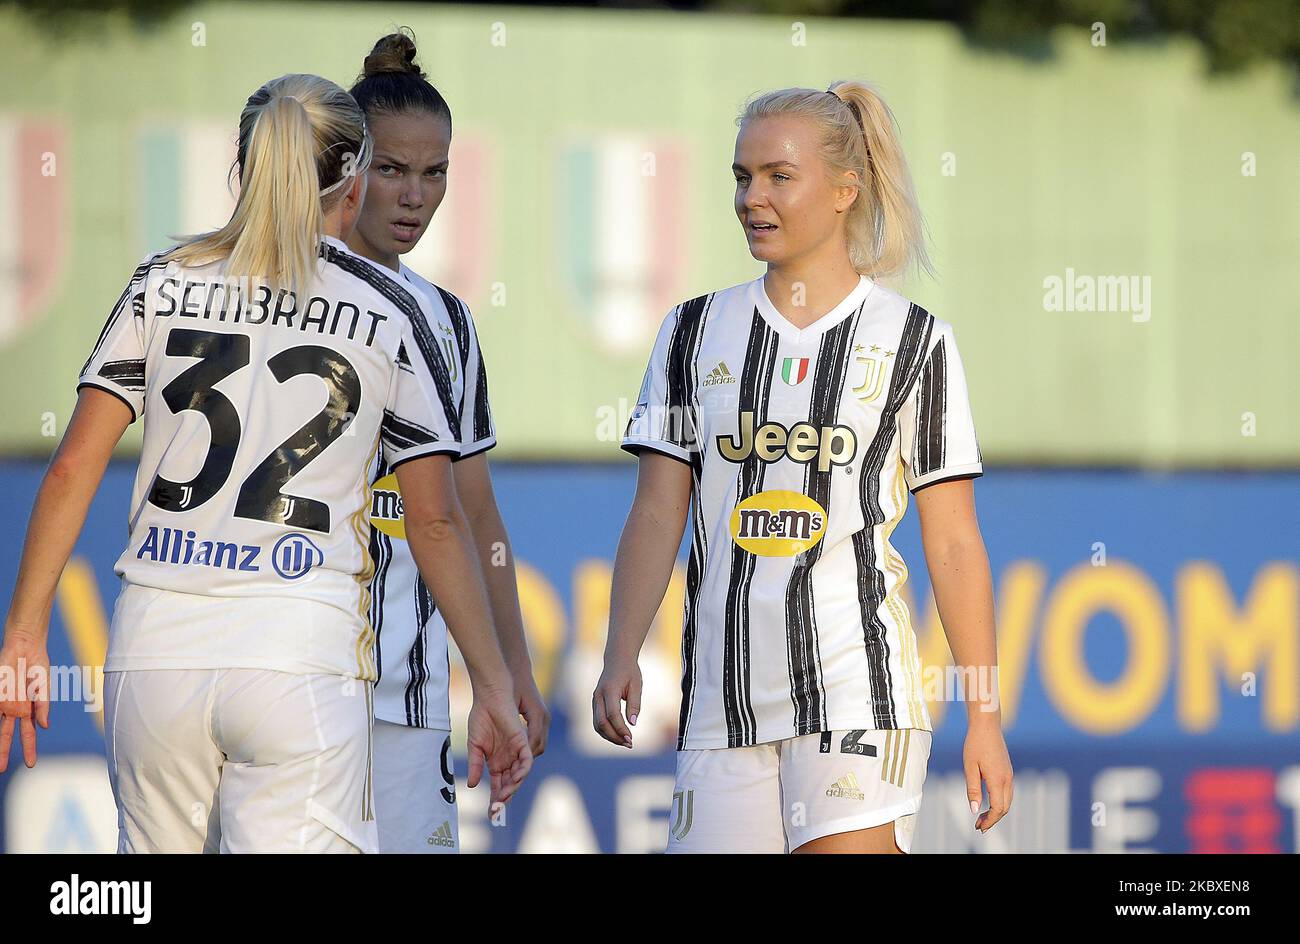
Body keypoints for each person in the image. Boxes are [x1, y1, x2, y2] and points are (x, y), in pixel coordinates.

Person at [0, 73, 530, 853]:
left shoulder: (163, 278)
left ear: (244, 165)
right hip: (297, 655)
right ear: (352, 179)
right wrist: (494, 681)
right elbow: (440, 521)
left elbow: (71, 470)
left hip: (154, 654)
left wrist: (22, 635)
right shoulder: (390, 312)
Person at [595, 82, 1013, 853]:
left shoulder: (915, 338)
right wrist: (621, 652)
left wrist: (983, 715)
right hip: (721, 703)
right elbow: (658, 511)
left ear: (845, 191)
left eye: (779, 177)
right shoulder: (691, 331)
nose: (753, 197)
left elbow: (953, 543)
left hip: (859, 691)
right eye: (742, 176)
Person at [346, 32, 549, 854]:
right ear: (343, 166)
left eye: (434, 174)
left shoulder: (448, 319)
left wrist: (514, 678)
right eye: (390, 169)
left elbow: (474, 520)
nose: (413, 196)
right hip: (292, 688)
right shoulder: (276, 296)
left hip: (411, 700)